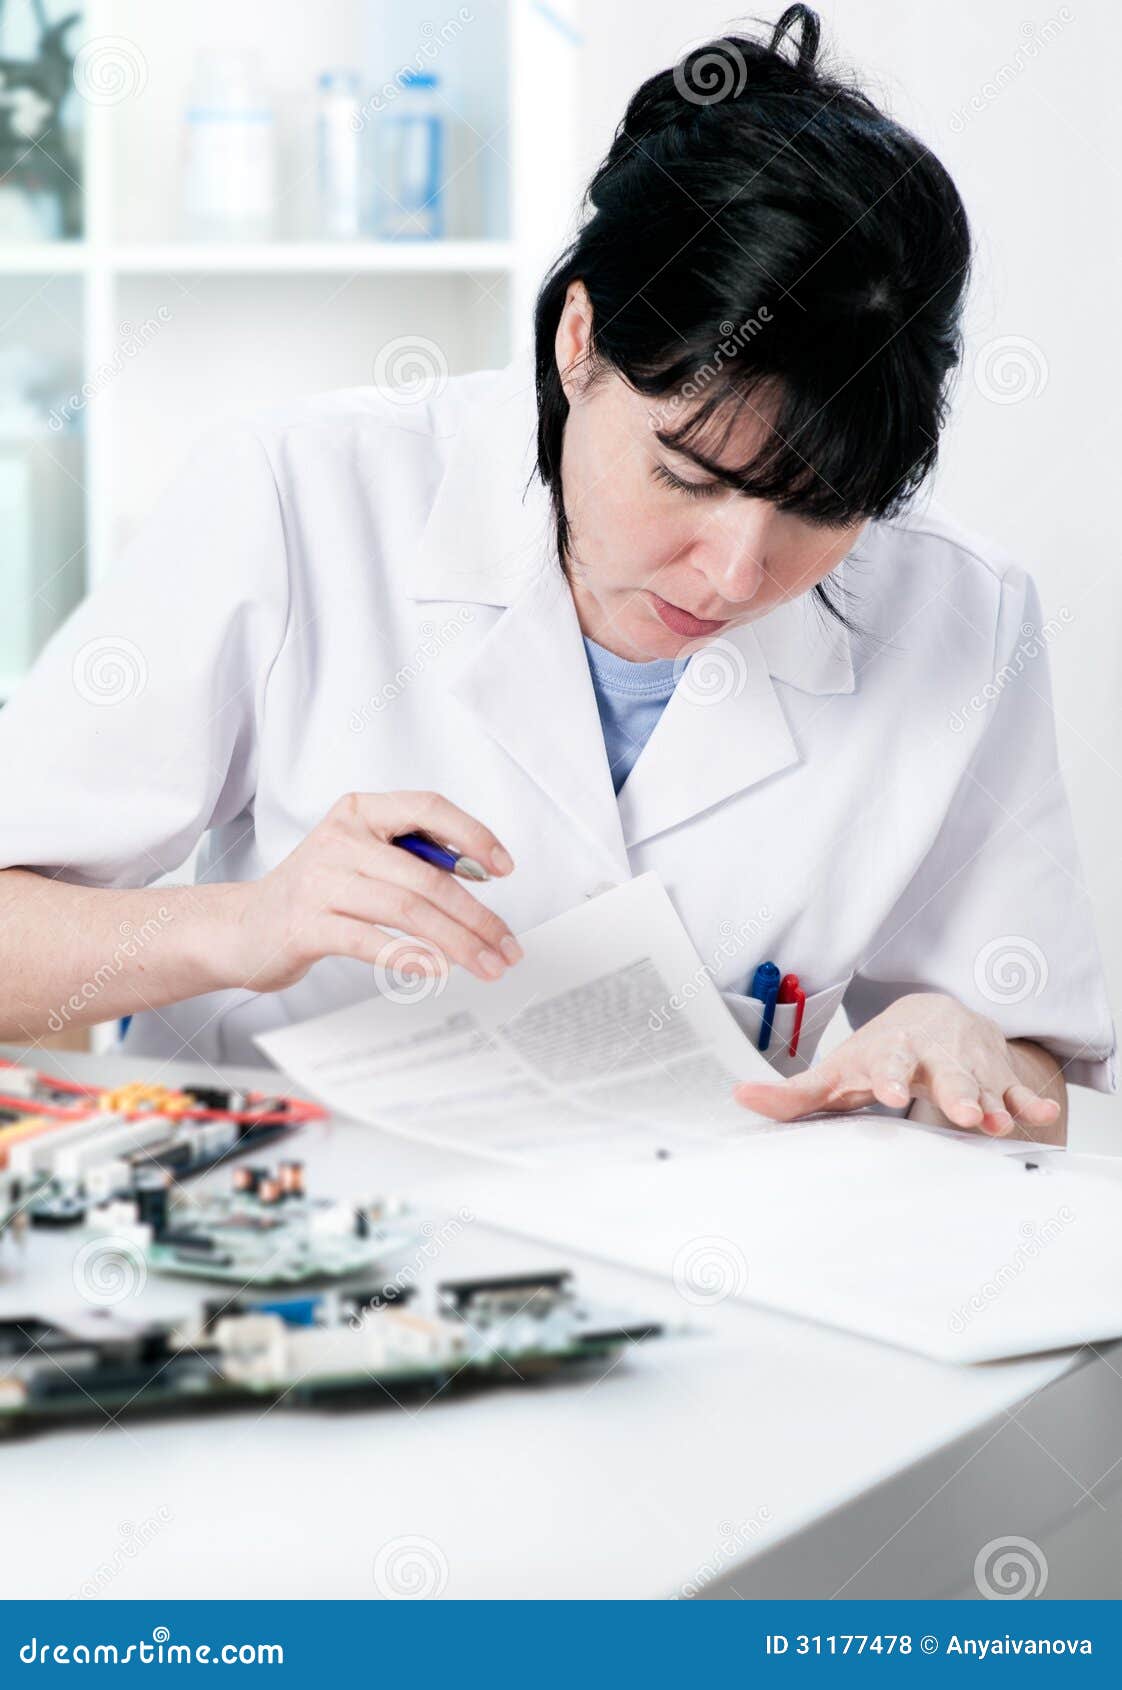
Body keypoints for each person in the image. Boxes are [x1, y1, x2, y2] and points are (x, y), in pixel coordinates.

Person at [0, 7, 1112, 1144]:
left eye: (823, 508)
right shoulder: (298, 496)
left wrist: (965, 1054)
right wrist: (241, 926)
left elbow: (1037, 1084)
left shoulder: (962, 615)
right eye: (686, 474)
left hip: (698, 1235)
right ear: (579, 340)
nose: (736, 573)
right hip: (282, 1214)